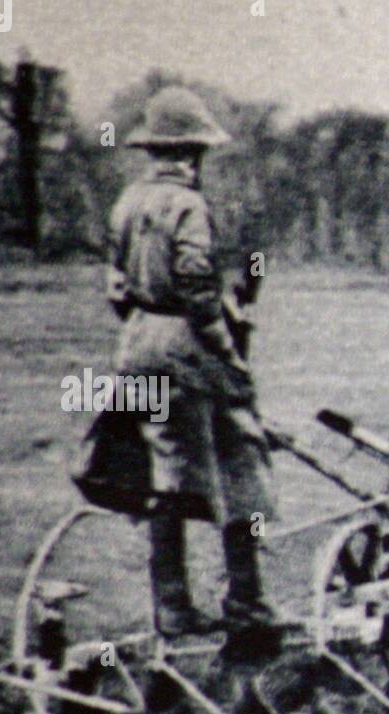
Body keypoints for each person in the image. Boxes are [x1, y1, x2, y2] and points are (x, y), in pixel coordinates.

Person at [103, 87, 279, 659]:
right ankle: (239, 603)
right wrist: (227, 357)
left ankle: (181, 605)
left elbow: (116, 286)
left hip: (138, 346)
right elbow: (198, 288)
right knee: (241, 462)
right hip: (187, 353)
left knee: (169, 477)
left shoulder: (127, 202)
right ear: (189, 153)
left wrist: (145, 325)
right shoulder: (187, 206)